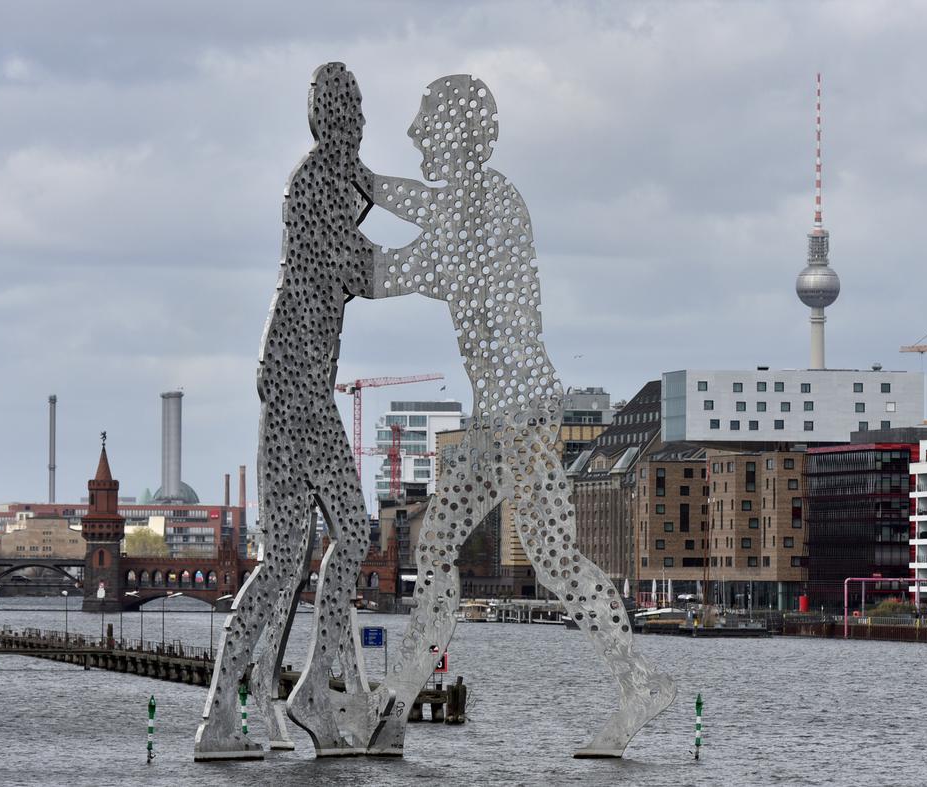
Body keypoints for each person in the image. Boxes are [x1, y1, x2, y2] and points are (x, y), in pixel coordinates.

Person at [358, 74, 675, 758]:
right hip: (501, 420)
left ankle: (636, 683)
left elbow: (392, 270)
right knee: (469, 550)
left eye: (426, 120)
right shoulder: (473, 203)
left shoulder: (489, 207)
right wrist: (365, 184)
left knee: (532, 557)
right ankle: (399, 703)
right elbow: (421, 209)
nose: (414, 132)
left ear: (459, 132)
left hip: (520, 420)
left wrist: (344, 215)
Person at [194, 61, 378, 760]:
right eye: (350, 109)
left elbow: (367, 220)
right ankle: (268, 703)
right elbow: (363, 270)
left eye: (358, 109)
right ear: (330, 118)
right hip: (296, 388)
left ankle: (253, 707)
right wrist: (445, 260)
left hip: (300, 387)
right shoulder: (317, 183)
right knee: (310, 549)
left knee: (303, 553)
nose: (359, 120)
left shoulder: (331, 179)